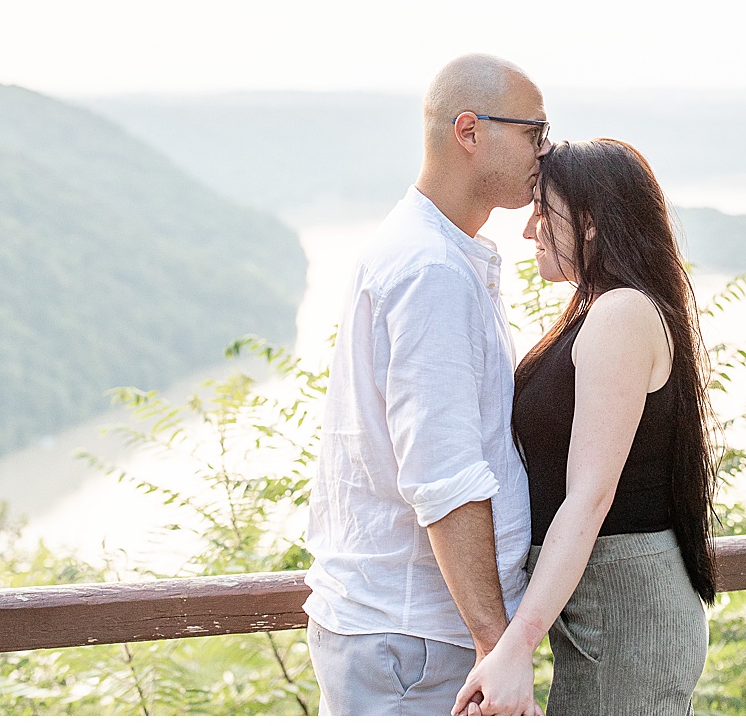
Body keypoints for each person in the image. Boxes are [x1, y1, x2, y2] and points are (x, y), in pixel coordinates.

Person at [304, 53, 553, 716]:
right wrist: (497, 644)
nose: (545, 151)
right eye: (534, 132)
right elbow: (444, 477)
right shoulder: (432, 270)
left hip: (404, 635)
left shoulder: (433, 252)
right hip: (415, 643)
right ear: (468, 131)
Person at [452, 138, 718, 716]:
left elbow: (589, 498)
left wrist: (515, 643)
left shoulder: (621, 313)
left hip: (627, 605)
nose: (528, 232)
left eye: (543, 212)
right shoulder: (603, 308)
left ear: (591, 223)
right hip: (605, 600)